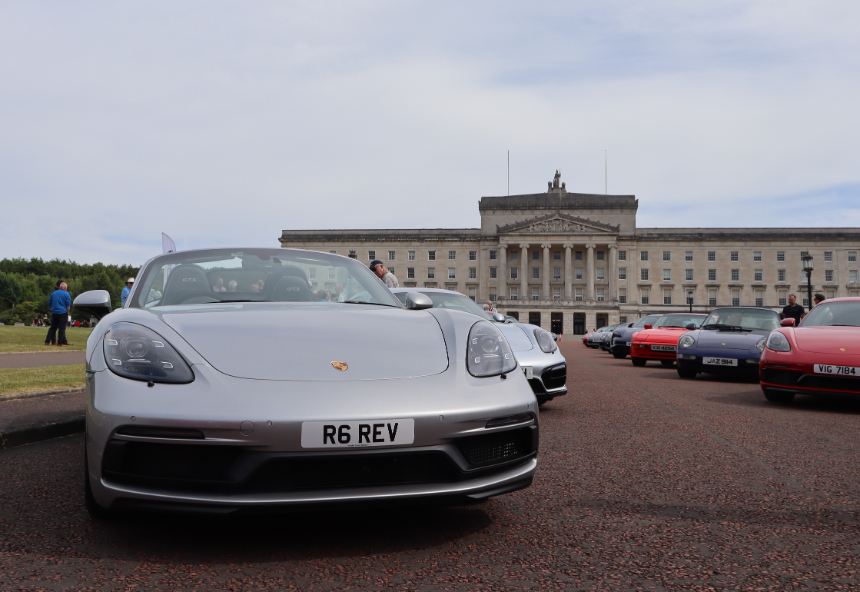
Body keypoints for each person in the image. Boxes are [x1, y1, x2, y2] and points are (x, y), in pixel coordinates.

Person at [45, 281, 72, 346]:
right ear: (65, 288)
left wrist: (52, 309)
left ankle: (47, 341)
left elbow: (50, 303)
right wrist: (67, 312)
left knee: (52, 328)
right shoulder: (66, 294)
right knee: (61, 328)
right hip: (62, 312)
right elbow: (68, 305)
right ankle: (60, 342)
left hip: (55, 312)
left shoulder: (53, 293)